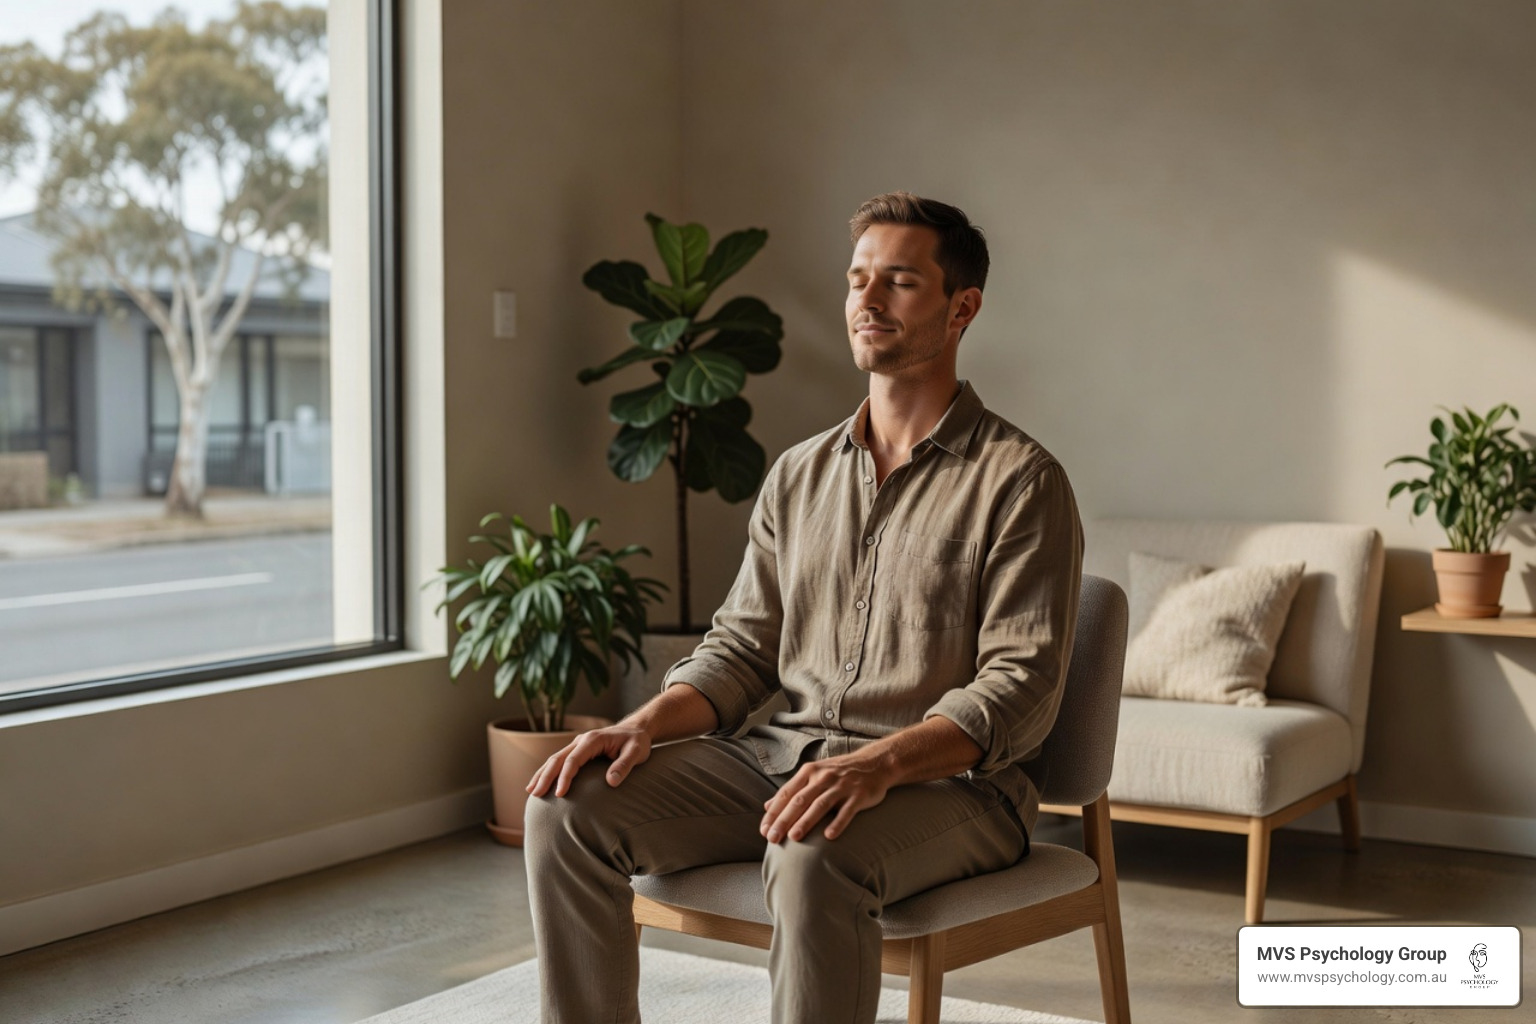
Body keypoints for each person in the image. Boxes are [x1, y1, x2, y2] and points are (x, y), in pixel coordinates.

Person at [525, 191, 1084, 1024]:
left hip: (957, 792)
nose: (866, 300)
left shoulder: (1021, 481)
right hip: (777, 761)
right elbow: (742, 647)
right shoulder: (797, 474)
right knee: (564, 809)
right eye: (859, 279)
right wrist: (646, 722)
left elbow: (1021, 687)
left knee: (812, 851)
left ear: (962, 307)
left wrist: (881, 763)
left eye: (899, 282)